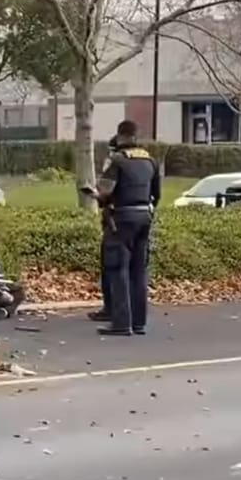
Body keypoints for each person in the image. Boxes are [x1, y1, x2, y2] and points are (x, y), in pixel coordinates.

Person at [86, 120, 159, 336]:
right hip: (144, 217)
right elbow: (157, 195)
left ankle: (121, 323)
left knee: (118, 269)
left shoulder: (117, 161)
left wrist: (94, 195)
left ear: (120, 136)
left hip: (121, 219)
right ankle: (139, 323)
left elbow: (106, 191)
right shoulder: (151, 161)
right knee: (138, 271)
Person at [88, 134, 122, 323]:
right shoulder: (144, 164)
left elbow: (105, 193)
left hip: (114, 223)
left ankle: (111, 309)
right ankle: (124, 309)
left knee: (111, 267)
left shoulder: (117, 165)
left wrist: (96, 195)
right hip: (138, 220)